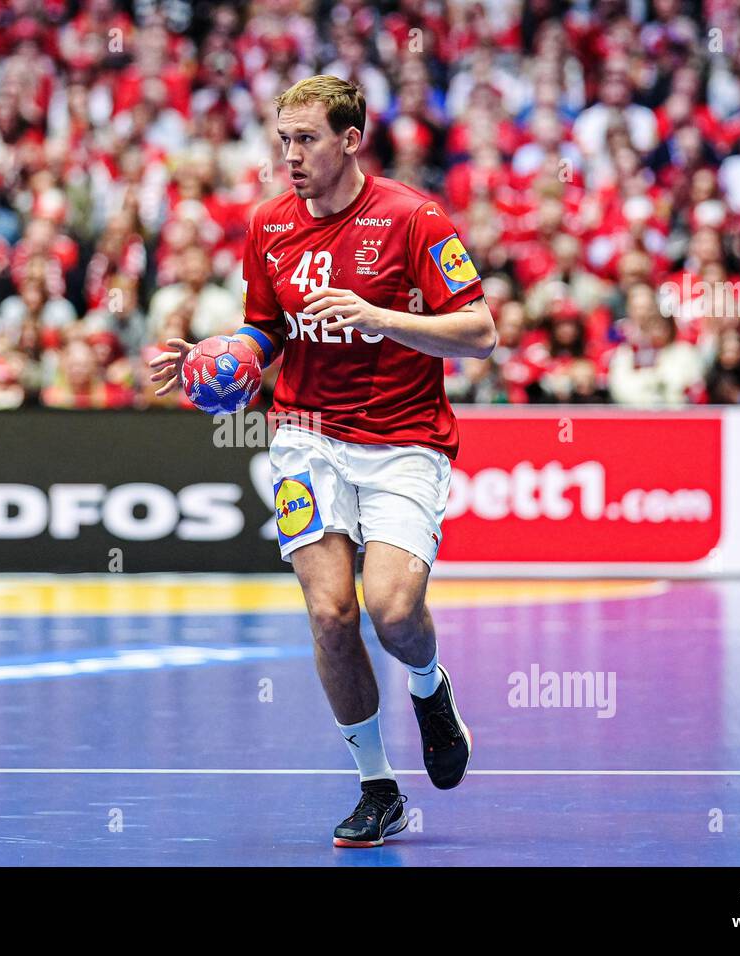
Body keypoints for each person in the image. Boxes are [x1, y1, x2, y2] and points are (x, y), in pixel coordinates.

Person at [149, 76, 496, 847]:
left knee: (395, 611)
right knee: (331, 613)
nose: (292, 156)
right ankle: (378, 786)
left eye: (306, 140)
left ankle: (430, 688)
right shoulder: (269, 224)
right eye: (284, 141)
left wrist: (378, 315)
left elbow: (480, 332)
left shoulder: (414, 218)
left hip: (405, 439)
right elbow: (264, 329)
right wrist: (222, 357)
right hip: (305, 434)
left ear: (350, 139)